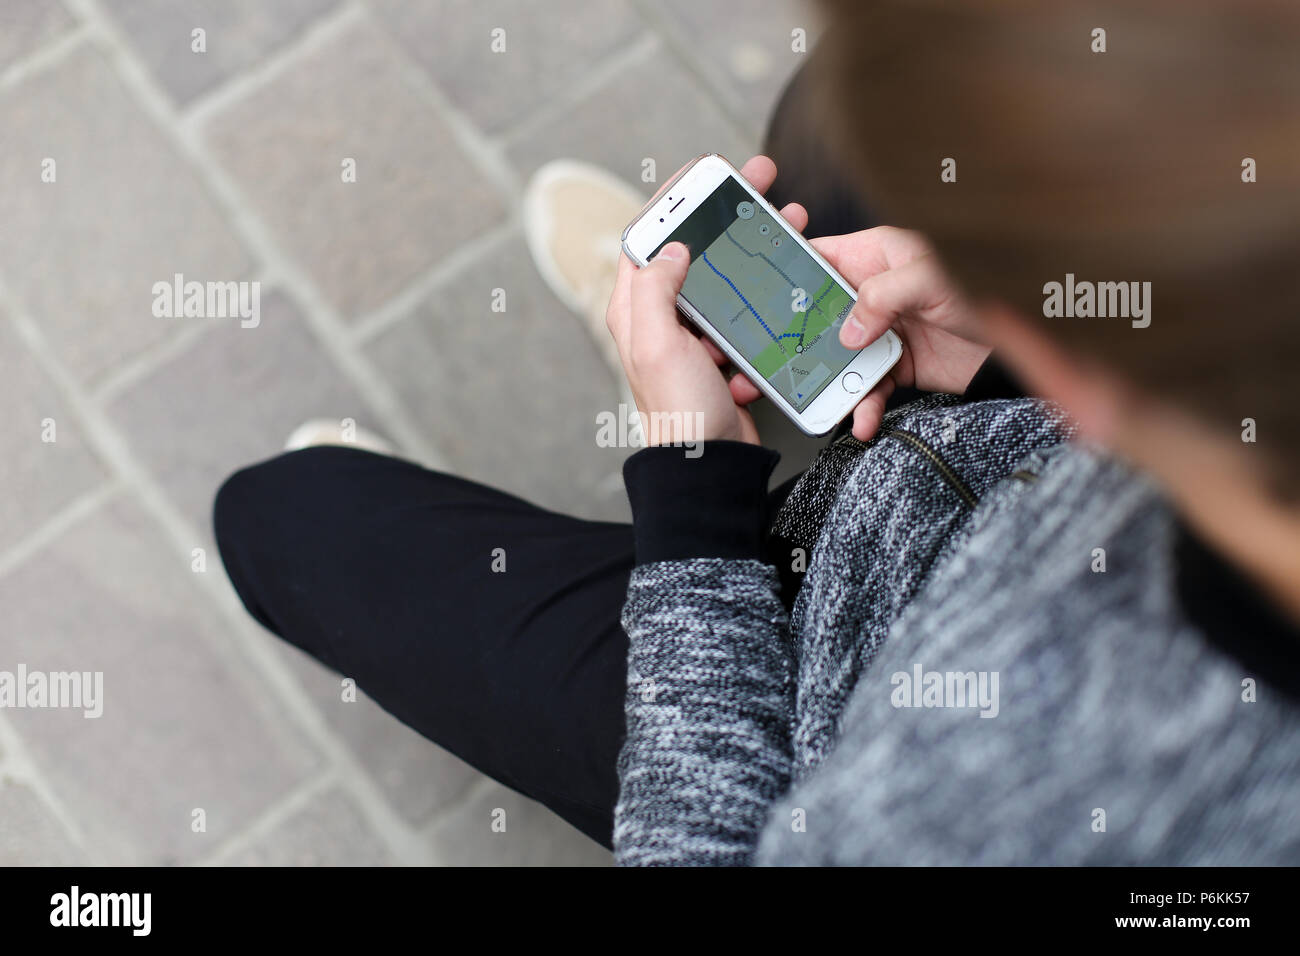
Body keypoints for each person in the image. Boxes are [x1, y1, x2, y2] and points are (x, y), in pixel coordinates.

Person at [215, 0, 1300, 864]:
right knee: (830, 141)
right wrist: (1010, 367)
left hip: (789, 695)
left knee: (281, 517)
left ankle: (675, 340)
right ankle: (702, 322)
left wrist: (695, 502)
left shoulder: (979, 816)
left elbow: (707, 840)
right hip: (985, 445)